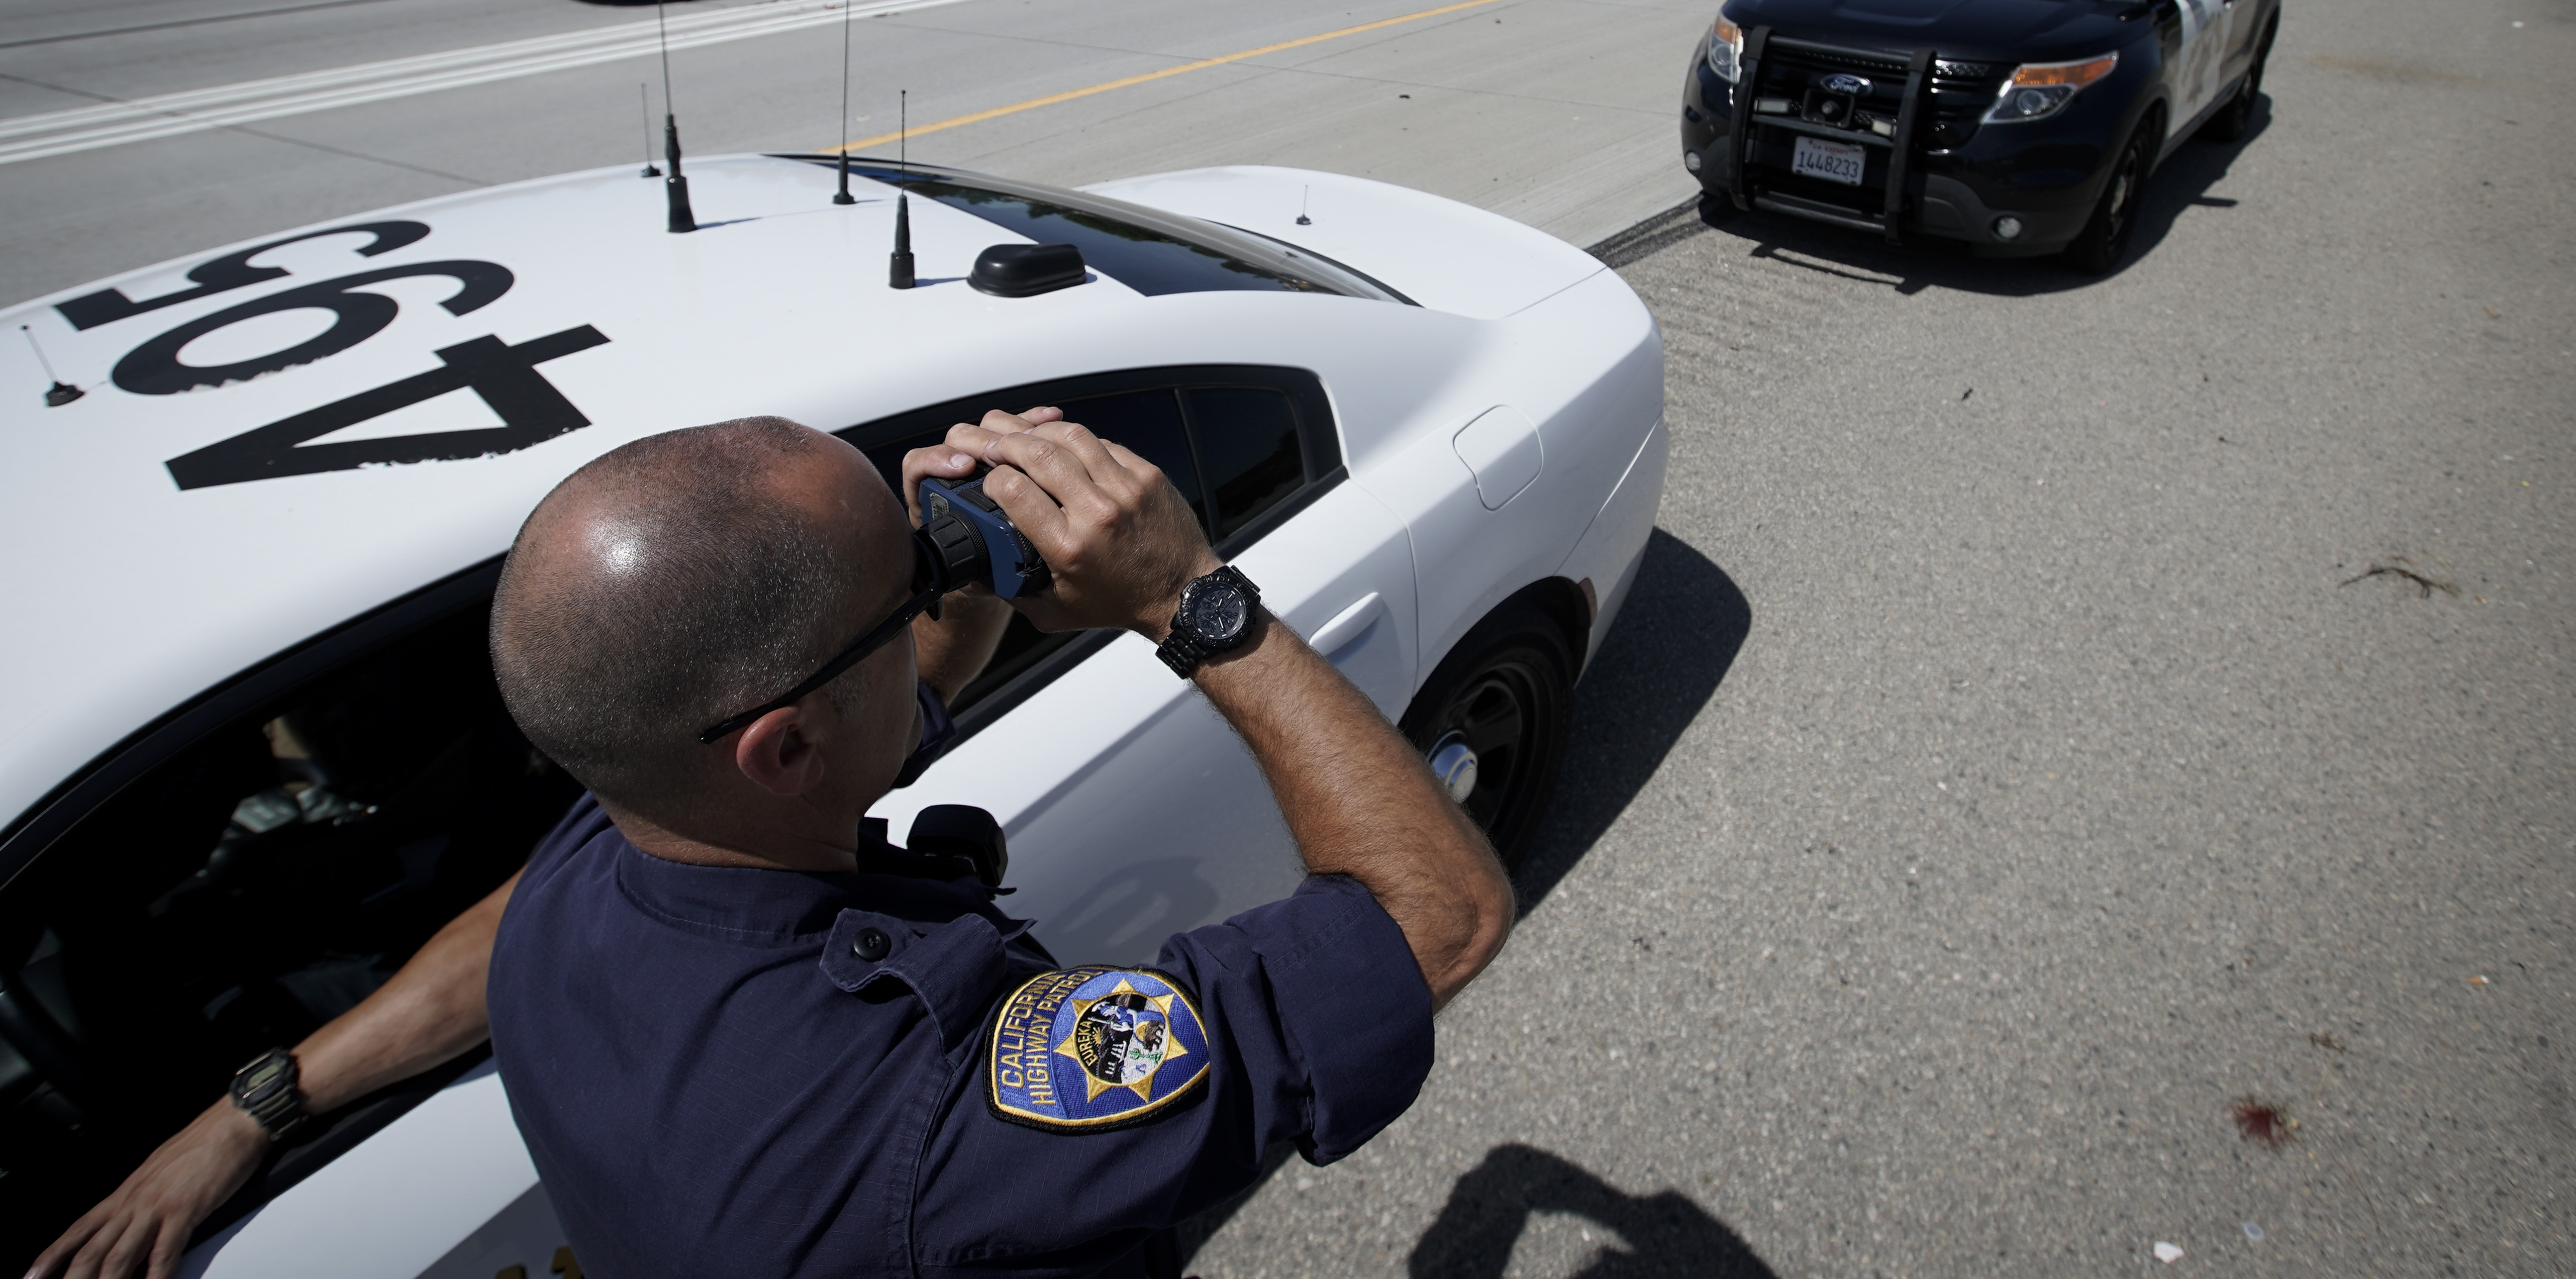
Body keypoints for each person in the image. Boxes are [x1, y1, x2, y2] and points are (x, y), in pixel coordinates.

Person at [35, 406, 1515, 1279]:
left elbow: (481, 955)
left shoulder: (624, 843)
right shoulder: (935, 1128)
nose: (927, 603)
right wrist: (1194, 598)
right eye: (907, 586)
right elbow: (1434, 915)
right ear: (783, 748)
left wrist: (256, 1106)